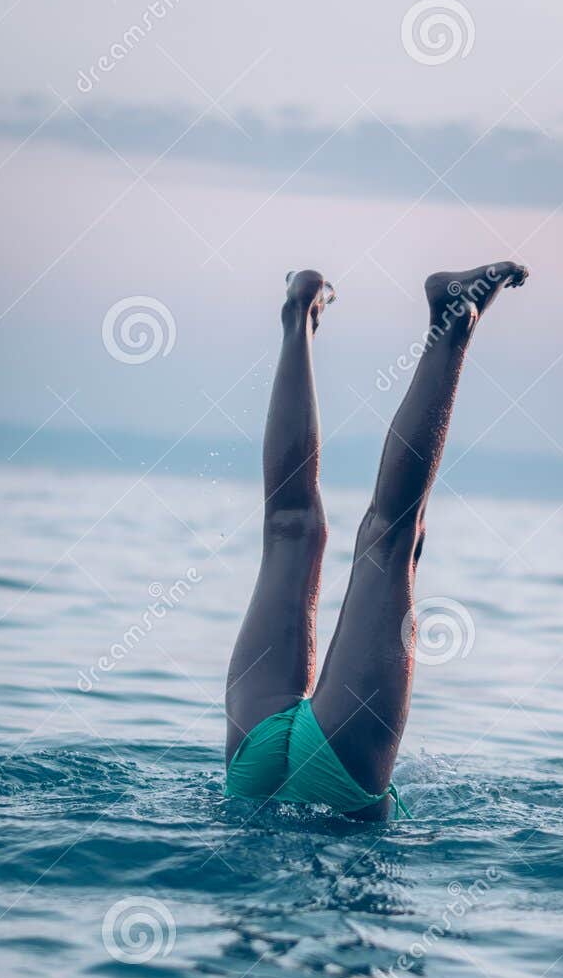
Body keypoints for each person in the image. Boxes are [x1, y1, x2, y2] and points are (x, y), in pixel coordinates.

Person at [225, 261, 528, 820]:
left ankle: (454, 321)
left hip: (300, 769)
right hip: (256, 748)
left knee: (385, 537)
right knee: (294, 527)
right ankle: (299, 315)